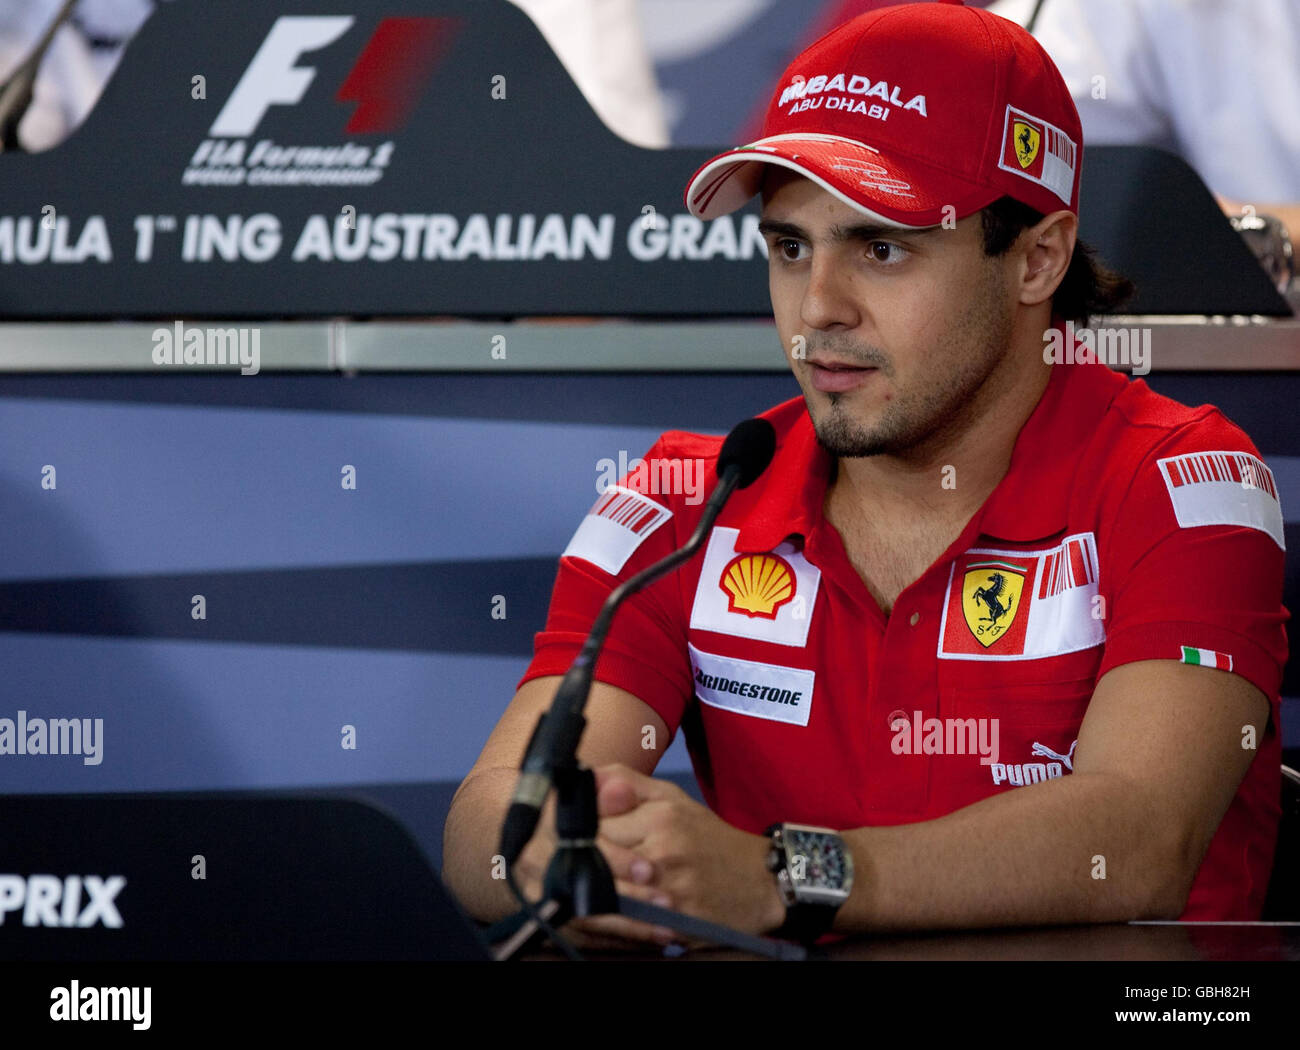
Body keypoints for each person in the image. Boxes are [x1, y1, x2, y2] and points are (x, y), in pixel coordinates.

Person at [443, 0, 1287, 950]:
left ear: (1037, 258)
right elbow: (481, 834)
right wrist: (567, 853)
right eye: (789, 246)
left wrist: (779, 878)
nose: (819, 308)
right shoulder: (685, 499)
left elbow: (1139, 838)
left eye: (882, 247)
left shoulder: (1186, 481)